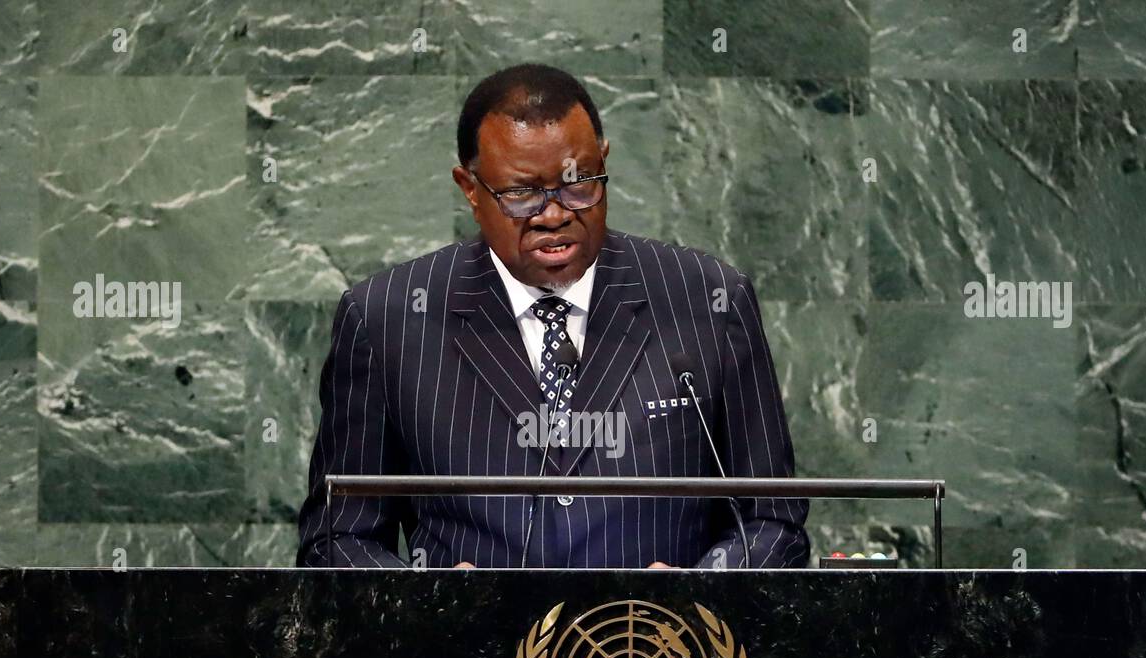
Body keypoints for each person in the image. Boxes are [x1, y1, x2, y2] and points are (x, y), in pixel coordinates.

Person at [296, 63, 809, 569]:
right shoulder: (389, 319)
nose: (555, 214)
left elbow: (772, 518)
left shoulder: (708, 301)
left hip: (653, 647)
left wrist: (695, 595)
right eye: (521, 193)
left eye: (579, 183)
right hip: (472, 649)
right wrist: (428, 608)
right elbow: (337, 536)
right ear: (470, 189)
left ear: (603, 161)